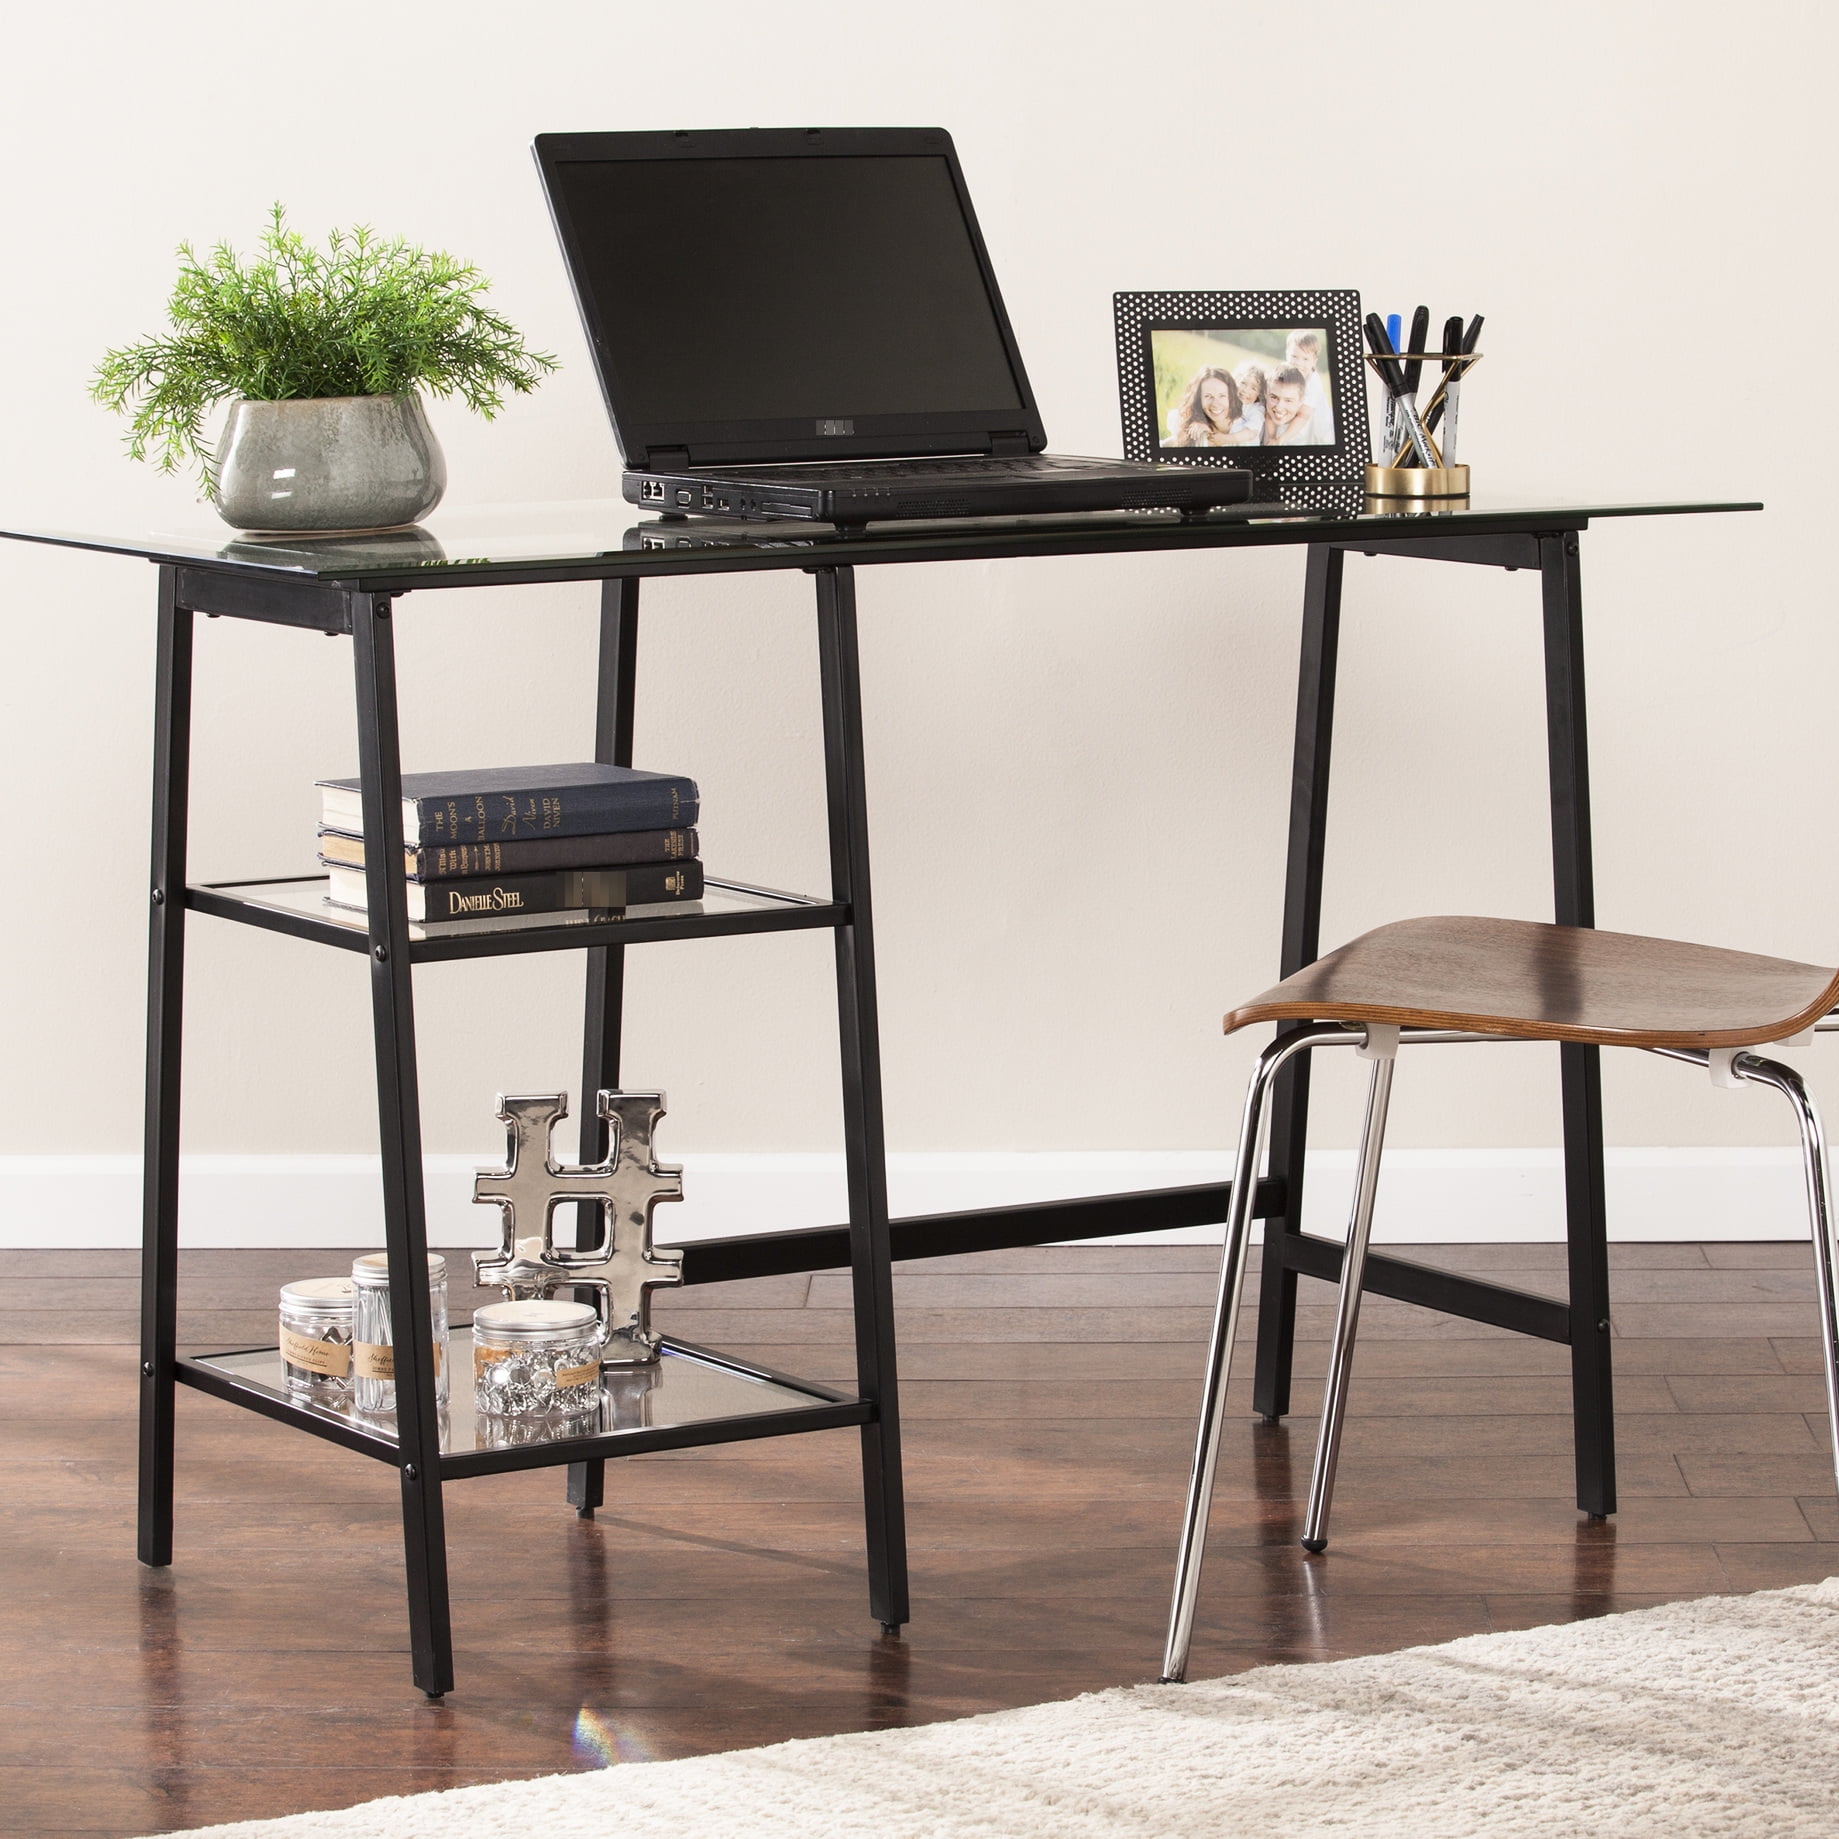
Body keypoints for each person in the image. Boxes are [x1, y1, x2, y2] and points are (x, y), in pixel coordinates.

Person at [1167, 367, 1253, 446]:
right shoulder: (1194, 425)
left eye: (1222, 396)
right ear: (1198, 400)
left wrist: (1211, 433)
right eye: (1208, 396)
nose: (1215, 404)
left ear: (1231, 397)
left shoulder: (1244, 427)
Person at [1283, 331, 1335, 444]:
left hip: (1318, 426)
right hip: (1296, 418)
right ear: (1287, 353)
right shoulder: (1284, 371)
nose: (1298, 363)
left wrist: (1281, 440)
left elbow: (1303, 415)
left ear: (1314, 361)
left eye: (1305, 359)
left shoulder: (1313, 382)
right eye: (1294, 356)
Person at [1261, 365, 1326, 445]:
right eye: (1274, 397)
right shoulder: (1257, 415)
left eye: (1288, 400)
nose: (1279, 407)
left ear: (1301, 401)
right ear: (1265, 393)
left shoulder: (1318, 432)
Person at [1233, 363, 1267, 440]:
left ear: (1260, 393)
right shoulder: (1228, 401)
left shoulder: (1257, 410)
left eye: (1253, 388)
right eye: (1243, 383)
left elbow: (1250, 433)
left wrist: (1224, 438)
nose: (1246, 390)